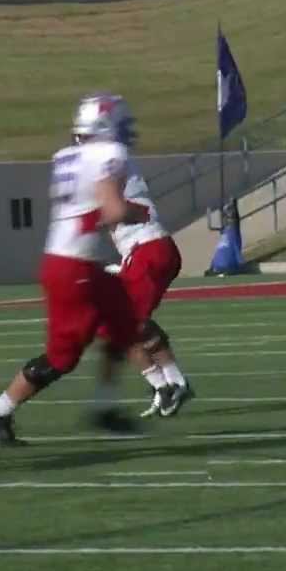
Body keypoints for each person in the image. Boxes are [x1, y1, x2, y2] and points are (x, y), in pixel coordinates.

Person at [0, 92, 165, 446]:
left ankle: (105, 407)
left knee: (124, 320)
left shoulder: (67, 155)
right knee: (62, 359)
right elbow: (113, 210)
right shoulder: (109, 153)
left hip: (75, 262)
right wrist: (136, 212)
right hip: (71, 267)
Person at [97, 100, 194, 419]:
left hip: (148, 249)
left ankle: (164, 386)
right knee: (131, 322)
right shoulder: (114, 159)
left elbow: (115, 210)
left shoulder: (110, 159)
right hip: (147, 249)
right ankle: (171, 383)